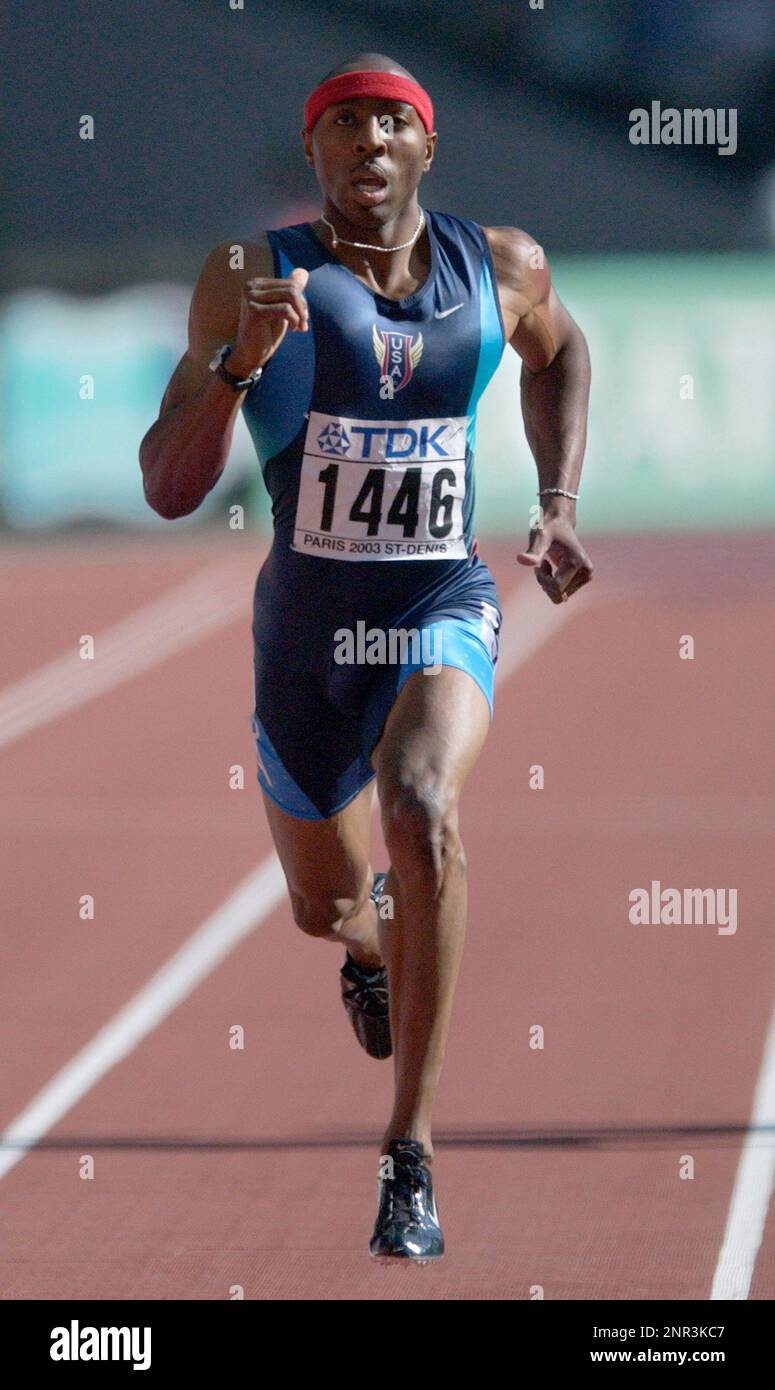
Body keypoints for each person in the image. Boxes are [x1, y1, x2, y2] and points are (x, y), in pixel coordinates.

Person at [139, 51, 593, 1262]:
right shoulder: (251, 275)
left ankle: (410, 1157)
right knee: (323, 904)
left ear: (426, 148)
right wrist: (240, 370)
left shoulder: (501, 266)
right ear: (314, 152)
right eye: (344, 124)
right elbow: (167, 486)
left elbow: (560, 356)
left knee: (423, 801)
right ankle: (367, 944)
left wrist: (554, 497)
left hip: (440, 603)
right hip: (305, 634)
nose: (369, 142)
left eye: (392, 122)